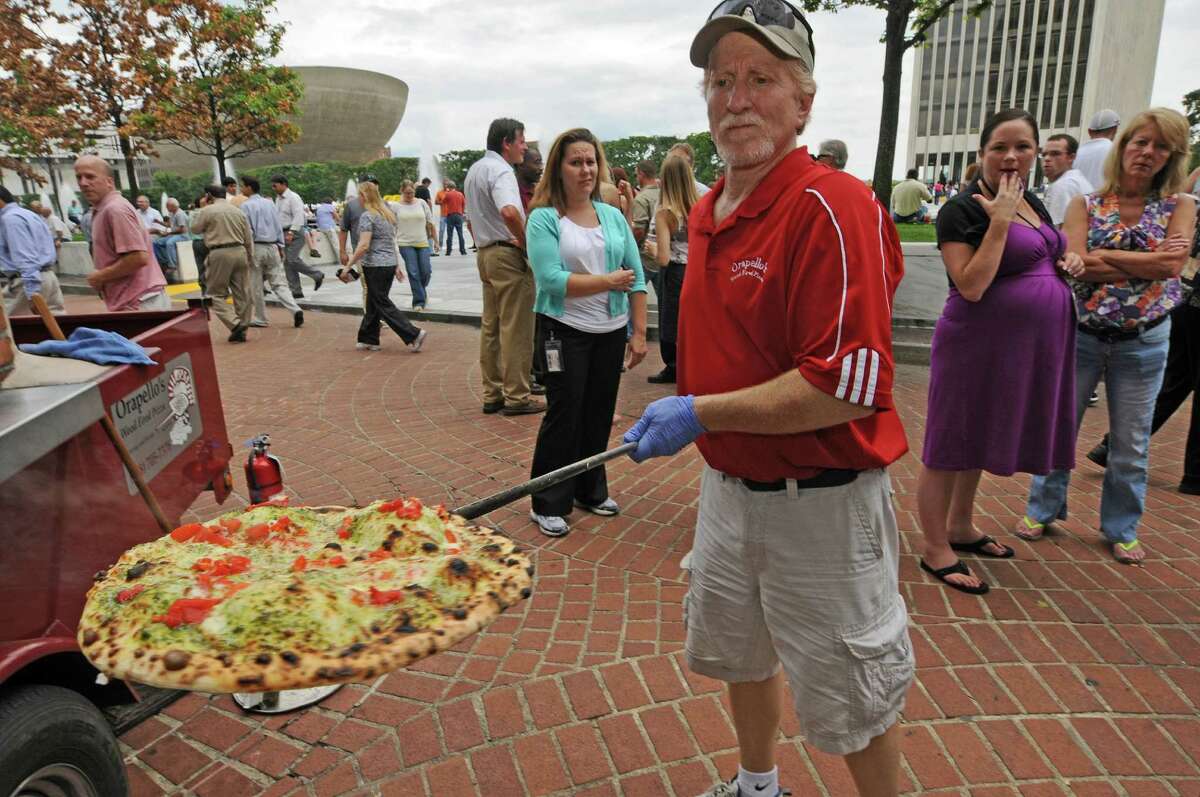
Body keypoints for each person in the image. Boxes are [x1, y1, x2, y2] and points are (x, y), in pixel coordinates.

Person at [622, 5, 911, 795]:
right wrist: (702, 416)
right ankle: (757, 785)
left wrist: (701, 412)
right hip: (727, 493)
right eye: (721, 81)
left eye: (762, 79)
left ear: (803, 101)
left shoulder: (832, 203)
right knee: (739, 652)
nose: (737, 98)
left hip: (820, 504)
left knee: (856, 695)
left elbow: (847, 383)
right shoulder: (710, 209)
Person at [917, 109, 1084, 595]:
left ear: (1036, 151)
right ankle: (934, 546)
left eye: (1023, 147)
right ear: (981, 153)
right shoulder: (965, 208)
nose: (1011, 157)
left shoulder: (1032, 199)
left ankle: (961, 525)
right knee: (949, 444)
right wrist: (1000, 224)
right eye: (999, 148)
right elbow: (969, 285)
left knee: (977, 438)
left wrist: (1065, 256)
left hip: (1018, 349)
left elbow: (1042, 253)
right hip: (974, 341)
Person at [1019, 108, 1196, 563]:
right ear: (1124, 146)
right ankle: (1043, 508)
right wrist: (1147, 259)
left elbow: (1172, 267)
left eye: (1160, 146)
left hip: (1145, 340)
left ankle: (1121, 526)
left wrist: (1105, 256)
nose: (1147, 152)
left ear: (1171, 157)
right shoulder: (1087, 204)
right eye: (1140, 142)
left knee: (1130, 444)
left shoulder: (1182, 206)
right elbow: (1076, 261)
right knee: (1060, 428)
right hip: (1082, 335)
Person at [525, 128, 648, 537]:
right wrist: (607, 281)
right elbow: (550, 280)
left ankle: (590, 490)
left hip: (610, 330)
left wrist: (639, 331)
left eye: (591, 161)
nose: (586, 170)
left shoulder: (611, 215)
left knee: (598, 412)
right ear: (558, 169)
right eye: (576, 162)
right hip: (564, 329)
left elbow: (637, 275)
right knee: (564, 413)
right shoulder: (544, 218)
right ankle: (547, 500)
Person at [464, 118, 544, 416]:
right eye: (522, 141)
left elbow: (472, 218)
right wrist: (526, 243)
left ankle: (492, 392)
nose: (525, 147)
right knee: (517, 327)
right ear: (507, 143)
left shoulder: (475, 170)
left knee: (492, 327)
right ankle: (517, 396)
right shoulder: (501, 171)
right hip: (507, 255)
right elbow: (509, 210)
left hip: (486, 254)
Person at [75, 157, 169, 312]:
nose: (83, 183)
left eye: (90, 176)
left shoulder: (115, 209)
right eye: (79, 177)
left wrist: (100, 277)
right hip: (133, 301)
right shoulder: (104, 209)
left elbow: (137, 258)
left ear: (109, 181)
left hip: (138, 302)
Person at [343, 181, 427, 353]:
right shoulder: (387, 214)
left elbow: (364, 245)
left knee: (381, 302)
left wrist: (348, 265)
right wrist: (396, 265)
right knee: (373, 302)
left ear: (363, 196)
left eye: (360, 195)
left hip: (374, 265)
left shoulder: (368, 216)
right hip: (388, 263)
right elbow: (391, 242)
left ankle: (413, 333)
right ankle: (368, 338)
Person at [643, 154, 698, 385]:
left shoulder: (666, 212)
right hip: (695, 271)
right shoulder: (700, 207)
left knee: (670, 322)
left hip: (674, 272)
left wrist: (652, 249)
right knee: (691, 321)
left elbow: (664, 258)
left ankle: (674, 367)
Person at [190, 184, 254, 342]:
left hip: (219, 252)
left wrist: (201, 208)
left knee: (214, 294)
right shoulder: (238, 211)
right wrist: (249, 255)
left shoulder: (207, 210)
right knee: (242, 293)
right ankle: (242, 327)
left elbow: (195, 229)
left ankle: (235, 324)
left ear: (209, 196)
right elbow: (248, 236)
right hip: (240, 251)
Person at [240, 175, 304, 329]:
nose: (241, 189)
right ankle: (295, 309)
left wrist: (248, 250)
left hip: (257, 247)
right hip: (273, 246)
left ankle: (261, 318)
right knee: (279, 283)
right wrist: (280, 246)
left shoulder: (246, 206)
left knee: (256, 284)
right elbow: (277, 225)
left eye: (242, 186)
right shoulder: (270, 203)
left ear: (249, 187)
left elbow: (248, 230)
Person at [0, 187, 64, 315]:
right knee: (52, 327)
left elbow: (25, 257)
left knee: (12, 329)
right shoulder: (28, 214)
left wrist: (32, 293)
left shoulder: (10, 219)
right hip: (47, 277)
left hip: (28, 281)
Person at [271, 175, 324, 298]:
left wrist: (291, 232)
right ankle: (296, 291)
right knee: (287, 263)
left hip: (294, 231)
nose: (273, 188)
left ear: (283, 184)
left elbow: (298, 215)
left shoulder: (293, 197)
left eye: (275, 185)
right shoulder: (278, 199)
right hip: (282, 232)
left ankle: (316, 274)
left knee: (292, 259)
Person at [394, 180, 437, 309]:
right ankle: (418, 301)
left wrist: (436, 241)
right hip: (405, 243)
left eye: (412, 192)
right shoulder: (395, 206)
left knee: (426, 271)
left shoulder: (422, 203)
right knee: (413, 272)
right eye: (407, 193)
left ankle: (421, 292)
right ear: (402, 191)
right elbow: (391, 225)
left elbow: (430, 222)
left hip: (422, 242)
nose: (409, 195)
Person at [1042, 133, 1093, 226]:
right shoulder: (1076, 179)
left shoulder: (1063, 186)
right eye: (1044, 154)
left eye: (1055, 154)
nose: (1047, 158)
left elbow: (1059, 231)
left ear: (1071, 157)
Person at [630, 159, 662, 302]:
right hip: (662, 255)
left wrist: (631, 247)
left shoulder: (642, 198)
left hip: (645, 257)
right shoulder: (664, 194)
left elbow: (639, 230)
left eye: (637, 175)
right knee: (664, 301)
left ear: (641, 174)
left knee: (632, 297)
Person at [1074, 109, 1120, 190]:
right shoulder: (1116, 151)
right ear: (1115, 129)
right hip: (1104, 201)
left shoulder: (1076, 153)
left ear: (1089, 131)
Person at [152, 197, 190, 280]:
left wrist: (168, 233)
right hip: (174, 234)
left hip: (183, 235)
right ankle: (164, 261)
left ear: (173, 206)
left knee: (169, 243)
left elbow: (182, 229)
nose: (166, 208)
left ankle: (173, 265)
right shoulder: (172, 214)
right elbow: (170, 225)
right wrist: (158, 222)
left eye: (167, 206)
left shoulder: (180, 214)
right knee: (156, 242)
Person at [441, 179, 467, 256]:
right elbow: (464, 204)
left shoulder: (448, 194)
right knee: (460, 234)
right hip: (459, 215)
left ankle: (448, 251)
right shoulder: (460, 194)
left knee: (450, 234)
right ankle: (463, 250)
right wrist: (461, 213)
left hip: (451, 215)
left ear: (448, 187)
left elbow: (443, 202)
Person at [516, 148, 544, 213]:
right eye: (537, 163)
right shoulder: (513, 193)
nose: (541, 168)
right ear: (521, 165)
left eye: (541, 162)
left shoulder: (543, 191)